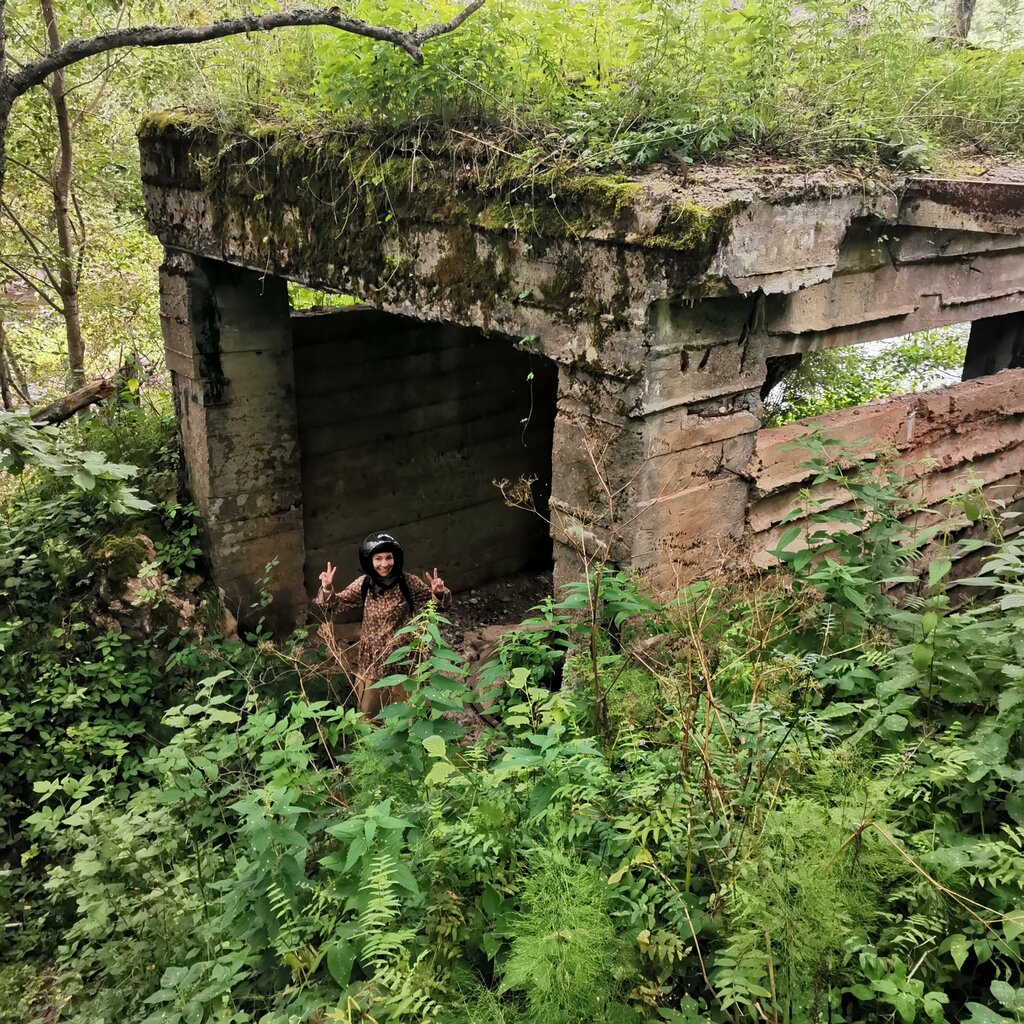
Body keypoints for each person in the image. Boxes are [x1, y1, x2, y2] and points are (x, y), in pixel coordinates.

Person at [315, 531, 451, 717]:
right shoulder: (364, 584)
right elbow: (333, 605)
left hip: (404, 659)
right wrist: (327, 588)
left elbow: (438, 607)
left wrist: (439, 592)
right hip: (373, 660)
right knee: (370, 713)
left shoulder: (408, 582)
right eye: (378, 558)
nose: (384, 564)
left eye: (389, 558)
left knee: (407, 712)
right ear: (369, 561)